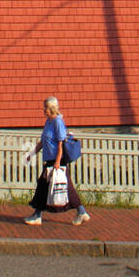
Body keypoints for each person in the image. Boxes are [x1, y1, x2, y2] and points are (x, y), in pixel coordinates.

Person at [24, 96, 89, 225]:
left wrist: (57, 162)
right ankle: (81, 212)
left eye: (46, 108)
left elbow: (61, 143)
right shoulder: (48, 122)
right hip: (50, 159)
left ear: (53, 108)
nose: (44, 110)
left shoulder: (57, 122)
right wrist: (32, 153)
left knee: (53, 186)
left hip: (57, 160)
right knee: (46, 185)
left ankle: (37, 215)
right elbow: (43, 141)